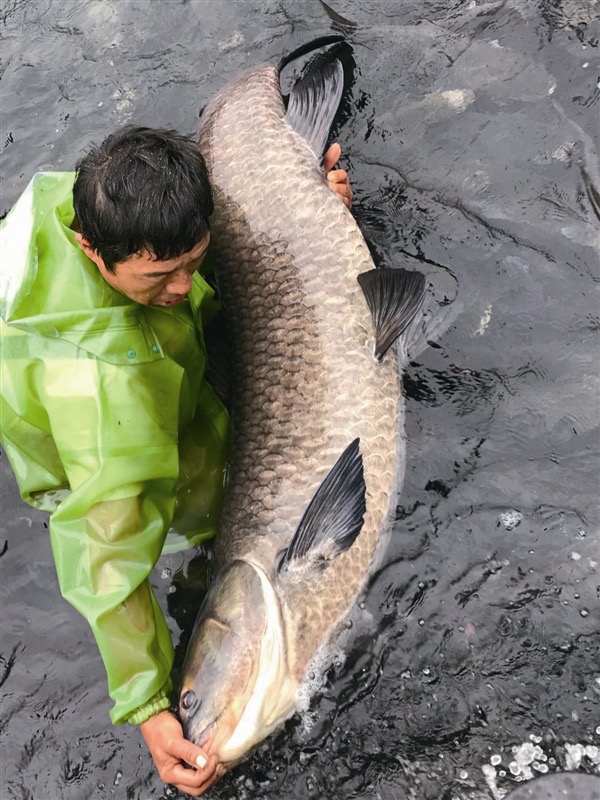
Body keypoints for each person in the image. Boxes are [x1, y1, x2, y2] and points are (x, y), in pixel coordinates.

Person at [0, 125, 352, 797]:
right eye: (161, 276)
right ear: (88, 246)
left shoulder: (96, 196)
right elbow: (107, 559)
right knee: (195, 514)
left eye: (194, 260)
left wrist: (312, 206)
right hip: (85, 429)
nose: (183, 283)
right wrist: (148, 710)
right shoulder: (108, 402)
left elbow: (180, 253)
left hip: (66, 351)